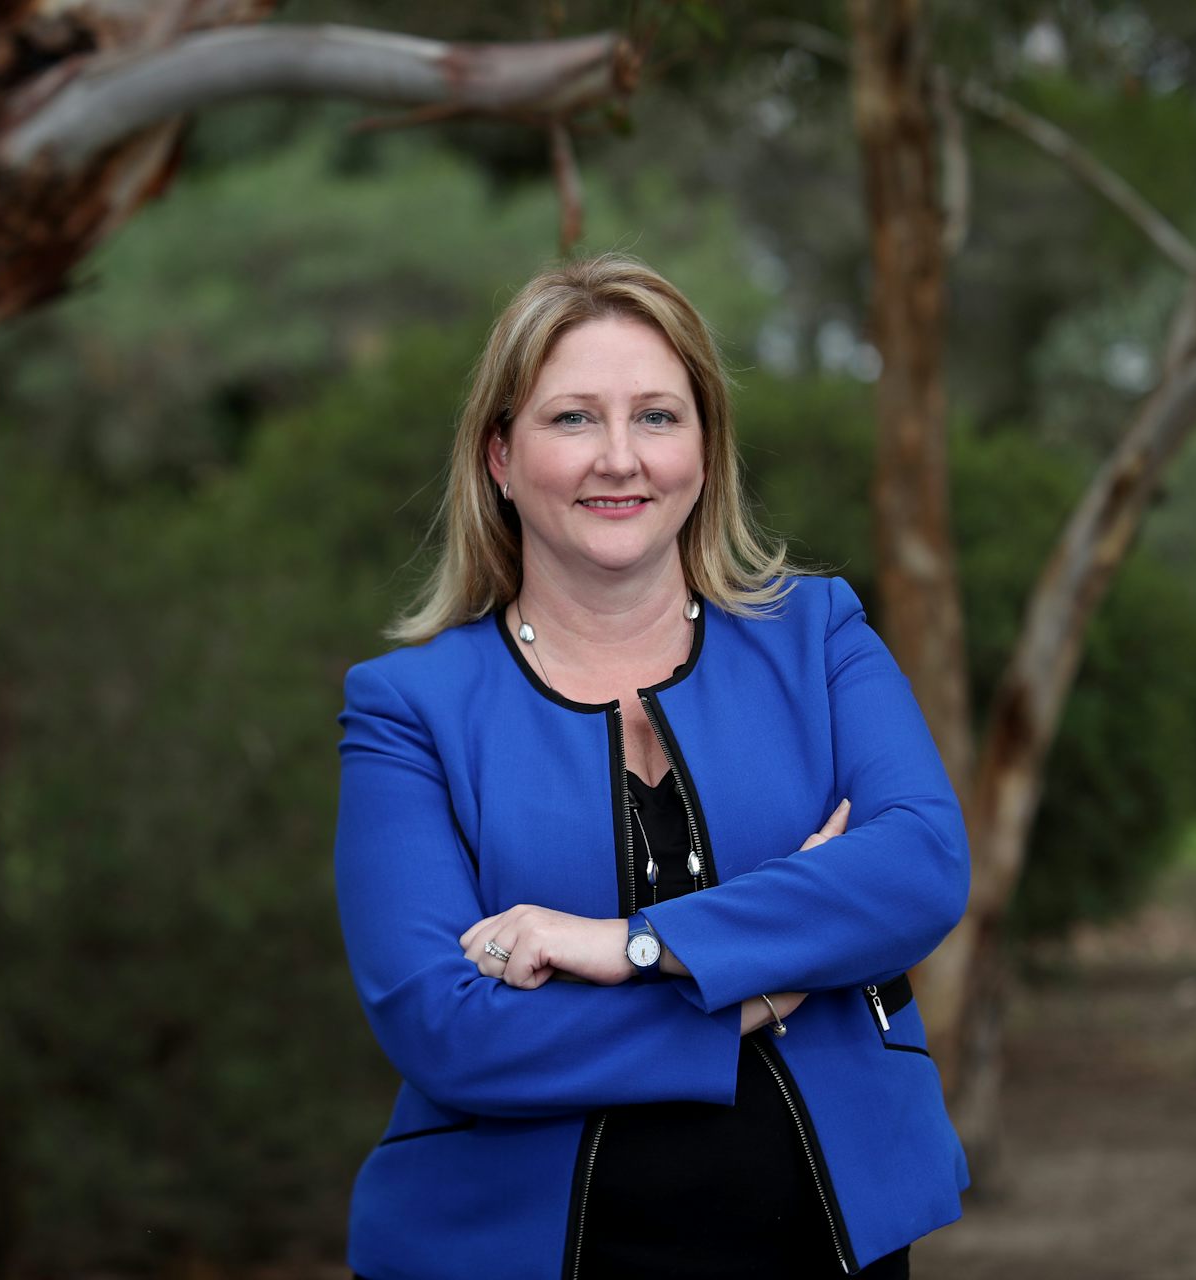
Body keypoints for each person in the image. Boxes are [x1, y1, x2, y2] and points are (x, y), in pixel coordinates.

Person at [333, 253, 971, 1280]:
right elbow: (445, 1026)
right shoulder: (409, 709)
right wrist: (764, 985)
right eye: (573, 418)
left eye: (659, 417)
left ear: (707, 450)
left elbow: (922, 867)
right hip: (505, 1256)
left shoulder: (817, 634)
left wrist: (628, 944)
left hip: (829, 1244)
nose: (620, 457)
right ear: (500, 456)